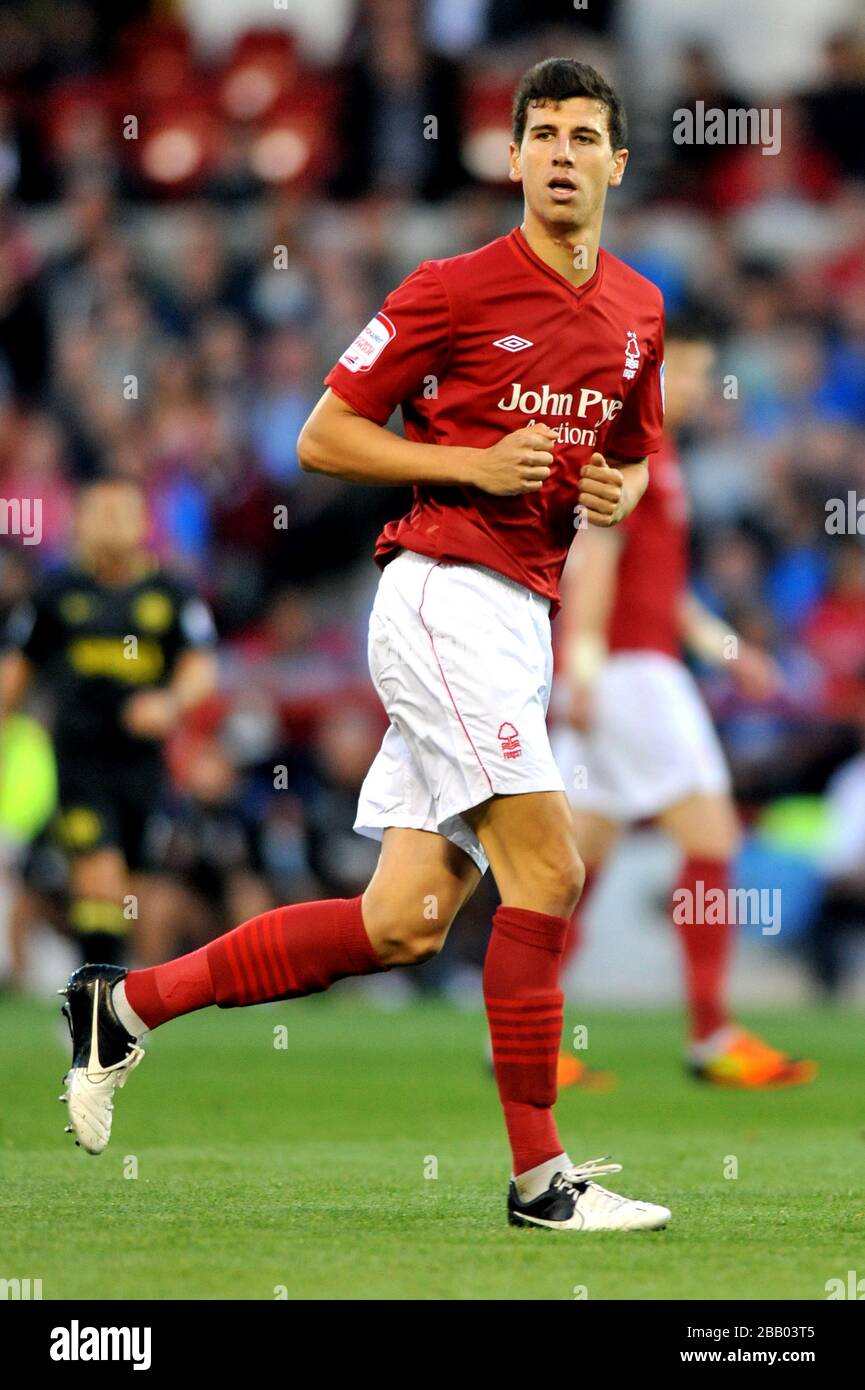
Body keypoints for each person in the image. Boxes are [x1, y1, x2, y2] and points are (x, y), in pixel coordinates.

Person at [59, 60, 671, 1233]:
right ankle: (542, 1184)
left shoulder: (638, 311)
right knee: (550, 871)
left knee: (403, 923)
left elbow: (638, 453)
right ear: (509, 158)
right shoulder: (450, 287)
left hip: (519, 618)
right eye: (539, 132)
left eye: (582, 135)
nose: (558, 152)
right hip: (445, 597)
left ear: (615, 162)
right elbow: (323, 434)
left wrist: (616, 488)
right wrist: (465, 463)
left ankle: (123, 1007)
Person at [549, 322, 818, 1088]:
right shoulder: (631, 453)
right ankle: (709, 1036)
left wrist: (735, 654)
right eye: (687, 374)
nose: (698, 389)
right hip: (631, 676)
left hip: (628, 667)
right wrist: (584, 669)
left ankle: (525, 1035)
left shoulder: (661, 461)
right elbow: (593, 560)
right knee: (711, 833)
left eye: (705, 374)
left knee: (576, 860)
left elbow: (663, 591)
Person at [1, 478, 217, 966]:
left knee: (129, 889)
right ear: (80, 520)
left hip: (142, 764)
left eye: (123, 510)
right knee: (98, 872)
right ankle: (94, 1006)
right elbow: (14, 673)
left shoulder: (170, 594)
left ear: (144, 521)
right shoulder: (56, 595)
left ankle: (111, 991)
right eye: (101, 510)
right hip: (79, 757)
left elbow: (201, 668)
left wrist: (169, 703)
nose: (112, 521)